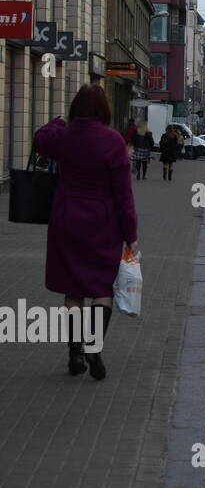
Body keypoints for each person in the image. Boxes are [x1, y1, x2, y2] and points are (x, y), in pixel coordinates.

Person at [35, 84, 138, 380]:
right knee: (101, 288)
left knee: (73, 288)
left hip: (67, 217)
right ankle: (94, 347)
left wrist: (58, 121)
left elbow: (40, 137)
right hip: (103, 222)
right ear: (104, 109)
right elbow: (124, 194)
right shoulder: (113, 141)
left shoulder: (63, 136)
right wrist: (131, 233)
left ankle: (74, 353)